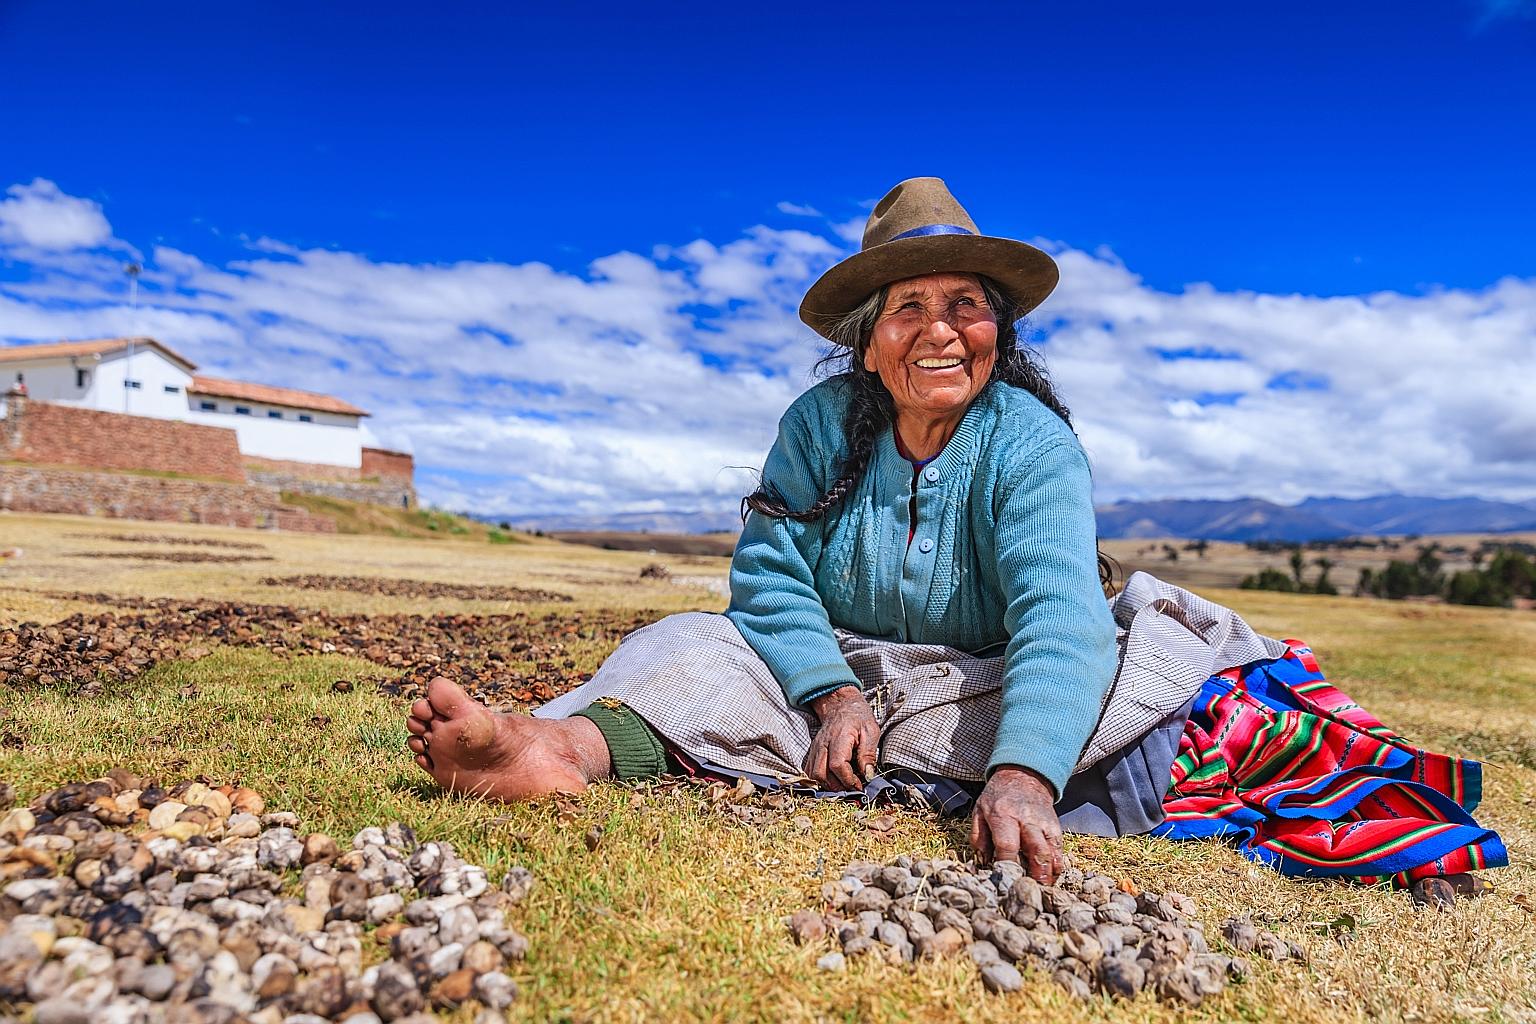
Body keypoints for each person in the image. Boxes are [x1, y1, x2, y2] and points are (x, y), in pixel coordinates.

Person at [406, 178, 1284, 883]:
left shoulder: (1032, 446)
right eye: (910, 307)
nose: (940, 331)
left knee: (1117, 714)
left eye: (966, 305)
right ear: (868, 344)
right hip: (832, 673)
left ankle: (1002, 768)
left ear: (998, 332)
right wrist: (834, 693)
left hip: (986, 679)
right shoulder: (819, 426)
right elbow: (770, 577)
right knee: (692, 646)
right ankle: (552, 748)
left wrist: (1022, 774)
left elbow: (1058, 619)